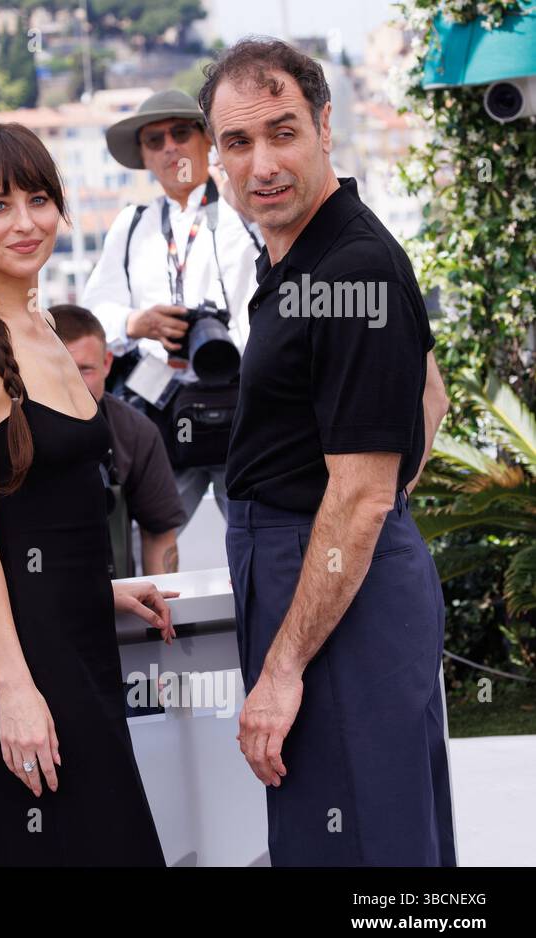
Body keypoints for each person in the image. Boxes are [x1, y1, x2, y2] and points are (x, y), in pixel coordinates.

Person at [200, 39, 454, 866]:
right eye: (238, 143)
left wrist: (282, 670)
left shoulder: (355, 268)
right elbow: (430, 395)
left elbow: (362, 495)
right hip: (328, 568)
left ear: (324, 127)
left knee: (367, 851)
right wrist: (370, 497)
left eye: (283, 133)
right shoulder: (300, 256)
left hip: (334, 582)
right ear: (216, 155)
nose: (262, 163)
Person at [0, 122, 176, 866]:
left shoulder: (42, 326)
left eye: (38, 199)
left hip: (82, 639)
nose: (24, 222)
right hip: (28, 666)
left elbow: (47, 508)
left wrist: (102, 588)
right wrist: (14, 689)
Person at [81, 90, 261, 531]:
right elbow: (92, 316)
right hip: (164, 409)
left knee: (260, 538)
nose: (170, 148)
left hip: (244, 405)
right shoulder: (131, 225)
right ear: (143, 155)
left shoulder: (245, 209)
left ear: (206, 140)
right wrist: (136, 323)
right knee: (152, 542)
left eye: (181, 133)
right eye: (155, 140)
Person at [48, 303, 185, 576]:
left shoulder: (135, 432)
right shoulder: (10, 429)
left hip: (119, 599)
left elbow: (159, 536)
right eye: (62, 370)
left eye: (85, 370)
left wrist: (157, 613)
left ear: (107, 363)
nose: (75, 384)